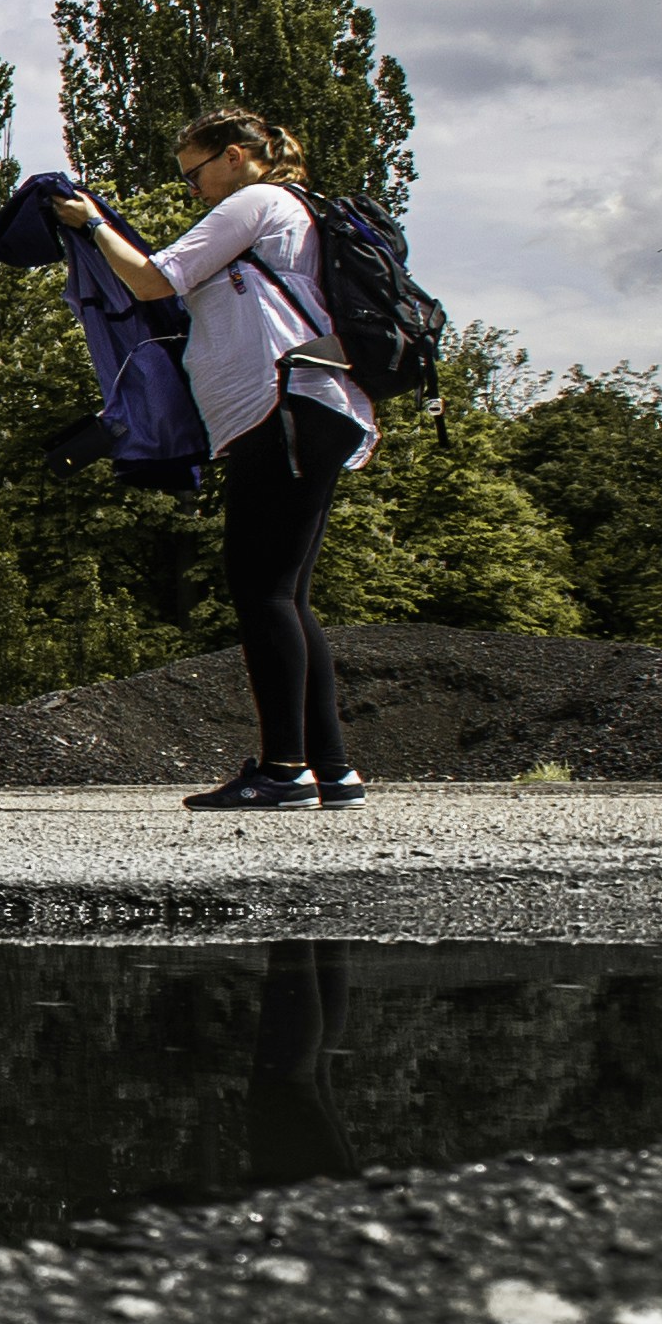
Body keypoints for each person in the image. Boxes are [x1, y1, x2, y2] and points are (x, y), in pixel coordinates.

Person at [56, 106, 381, 811]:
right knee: (286, 593)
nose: (193, 188)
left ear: (235, 155)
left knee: (261, 590)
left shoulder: (256, 202)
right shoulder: (289, 210)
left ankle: (284, 769)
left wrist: (92, 224)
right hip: (306, 407)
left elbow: (153, 280)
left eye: (195, 172)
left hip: (282, 405)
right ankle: (329, 768)